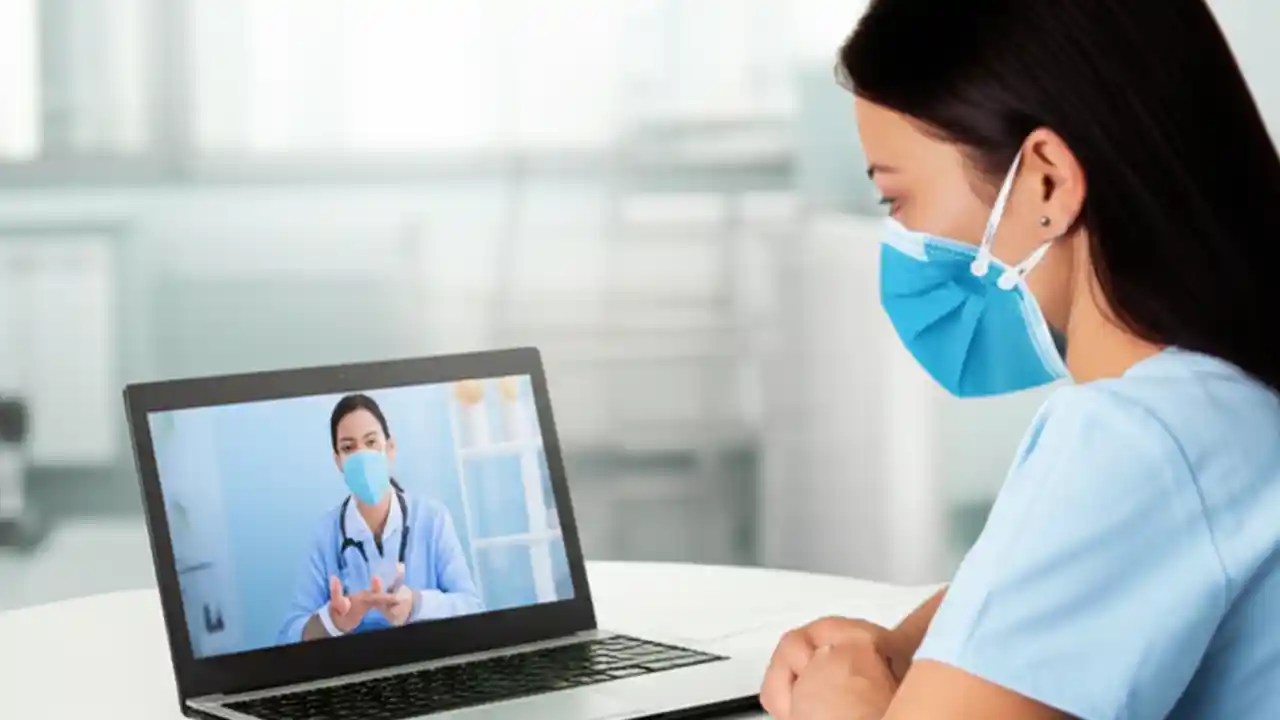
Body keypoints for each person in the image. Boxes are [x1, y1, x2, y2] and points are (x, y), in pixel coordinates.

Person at [760, 1, 1280, 719]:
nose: (901, 240)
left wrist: (842, 706)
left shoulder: (1136, 437)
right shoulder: (1229, 404)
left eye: (895, 200)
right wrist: (917, 649)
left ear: (1046, 183)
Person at [279, 394, 483, 643]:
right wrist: (332, 622)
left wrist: (416, 605)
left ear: (390, 448)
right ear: (338, 461)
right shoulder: (325, 534)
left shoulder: (432, 518)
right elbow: (289, 636)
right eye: (348, 448)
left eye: (371, 442)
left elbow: (471, 607)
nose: (362, 456)